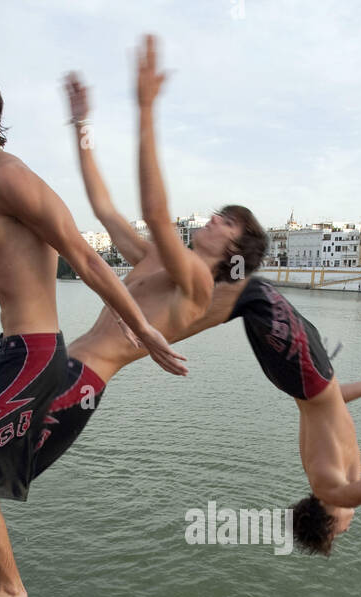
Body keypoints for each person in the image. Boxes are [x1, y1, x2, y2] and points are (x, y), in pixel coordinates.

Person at [33, 66, 361, 569]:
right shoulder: (333, 471)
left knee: (248, 293)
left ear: (333, 515)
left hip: (302, 369)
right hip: (309, 375)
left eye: (346, 526)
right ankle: (195, 308)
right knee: (244, 293)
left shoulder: (333, 485)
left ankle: (198, 306)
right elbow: (331, 403)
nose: (355, 518)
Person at [0, 47, 177, 597]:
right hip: (14, 349)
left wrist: (143, 328)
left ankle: (10, 587)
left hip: (33, 353)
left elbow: (86, 256)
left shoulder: (9, 177)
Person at [19, 40, 267, 484]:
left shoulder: (196, 283)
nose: (212, 219)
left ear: (234, 250)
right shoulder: (154, 258)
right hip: (62, 364)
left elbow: (155, 212)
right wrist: (80, 124)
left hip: (80, 383)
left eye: (225, 222)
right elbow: (103, 207)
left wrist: (147, 109)